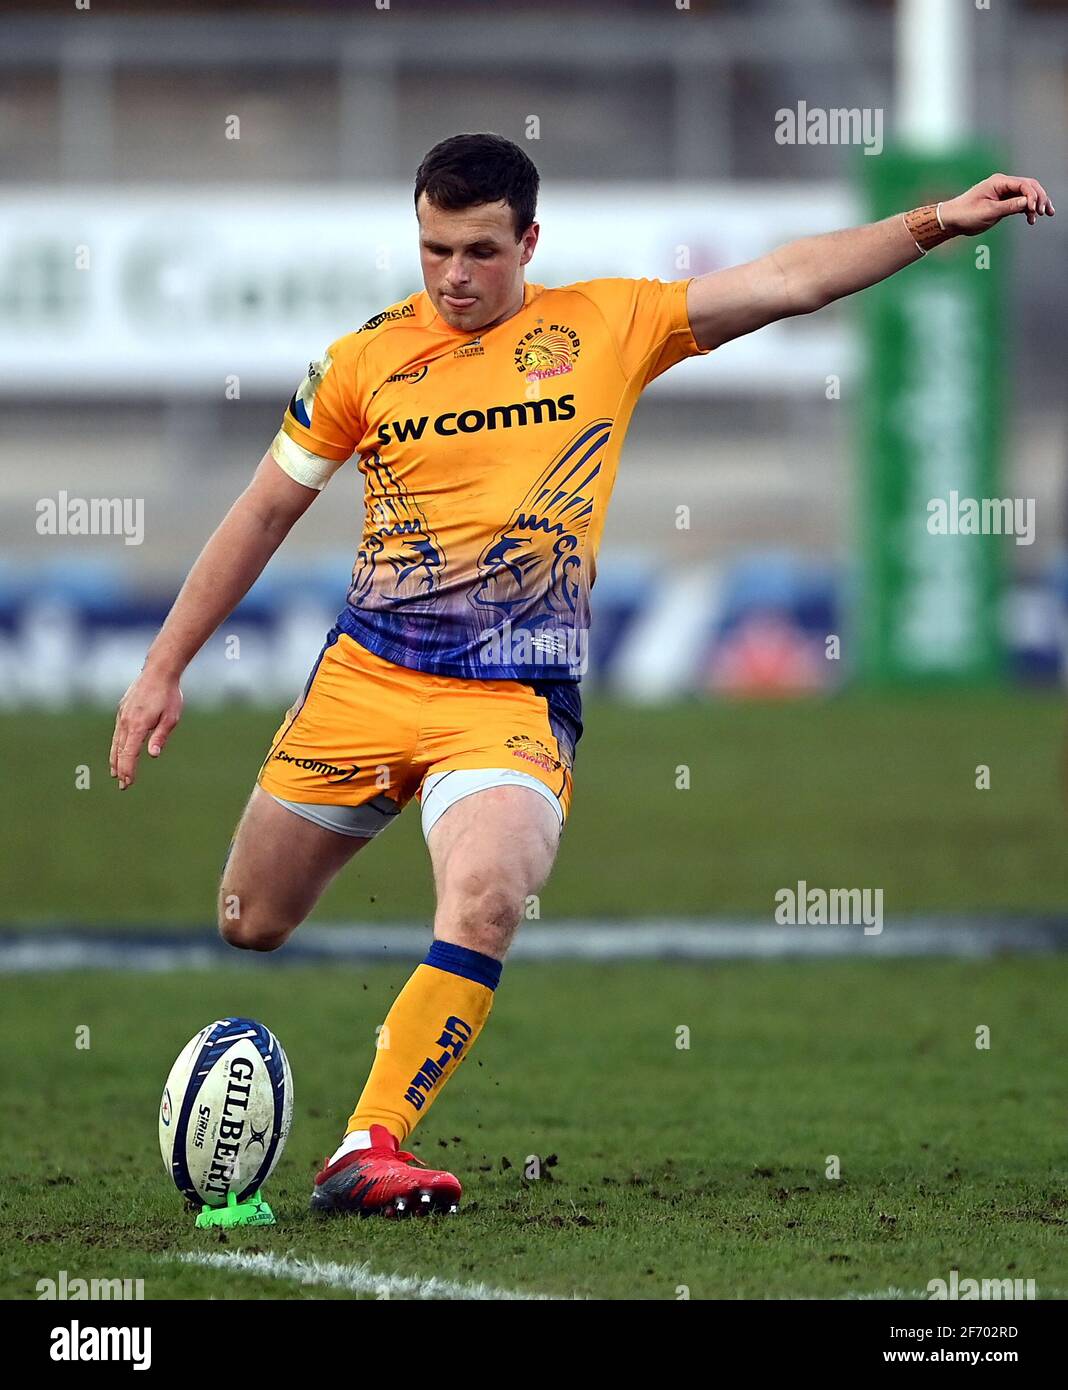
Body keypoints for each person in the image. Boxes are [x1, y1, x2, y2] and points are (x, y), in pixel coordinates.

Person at [110, 132, 1053, 1217]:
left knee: (489, 893)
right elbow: (263, 512)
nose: (452, 276)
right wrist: (162, 667)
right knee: (249, 917)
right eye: (431, 250)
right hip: (364, 686)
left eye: (476, 251)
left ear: (529, 241)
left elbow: (790, 280)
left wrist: (935, 221)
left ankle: (369, 1142)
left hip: (511, 703)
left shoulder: (606, 324)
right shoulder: (361, 361)